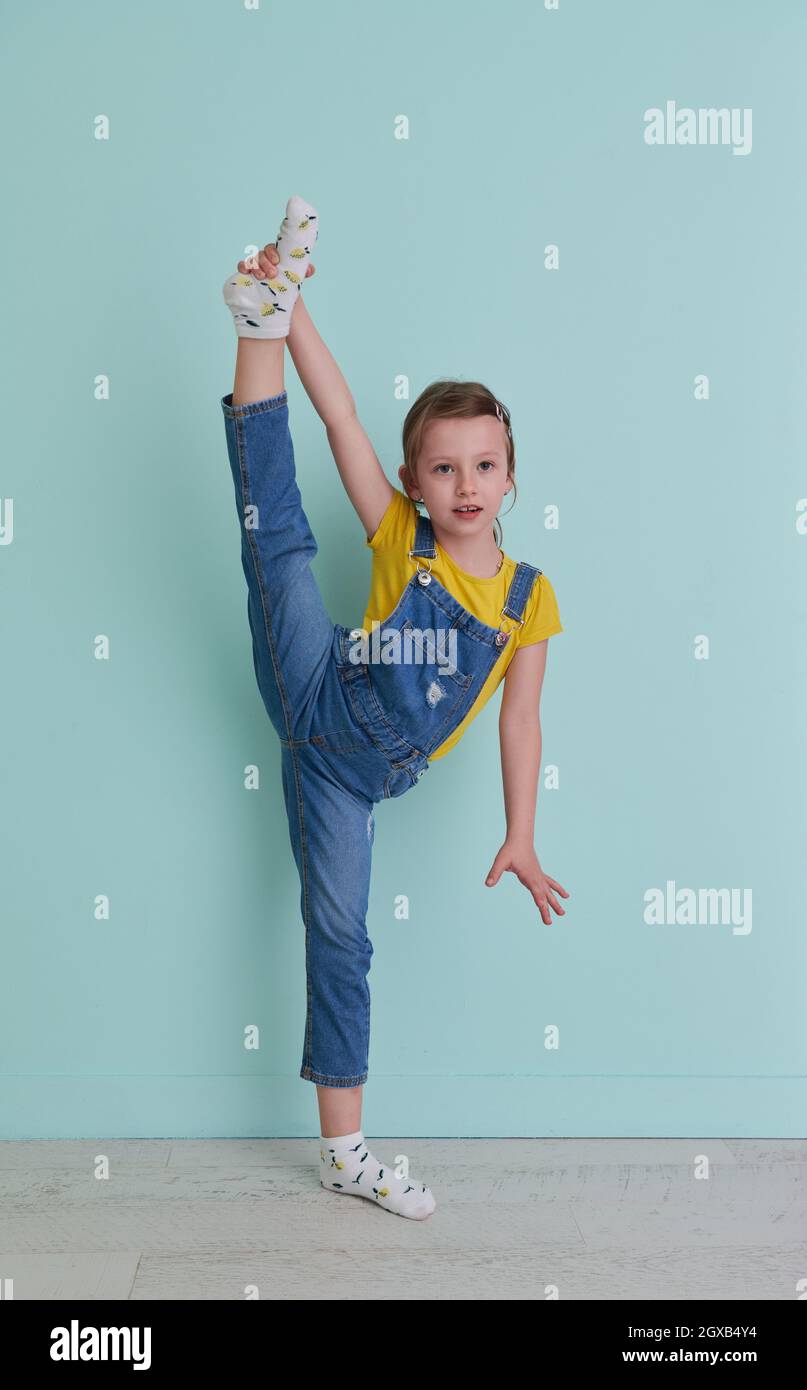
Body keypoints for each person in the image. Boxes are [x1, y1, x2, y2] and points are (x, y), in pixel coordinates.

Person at [221, 195, 569, 1220]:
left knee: (340, 936)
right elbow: (339, 419)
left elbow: (519, 720)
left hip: (352, 778)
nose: (467, 483)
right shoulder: (398, 534)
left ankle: (345, 1151)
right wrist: (293, 314)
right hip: (317, 679)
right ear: (417, 480)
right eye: (445, 467)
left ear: (510, 477)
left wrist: (522, 832)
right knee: (278, 548)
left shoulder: (525, 598)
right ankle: (255, 318)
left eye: (486, 465)